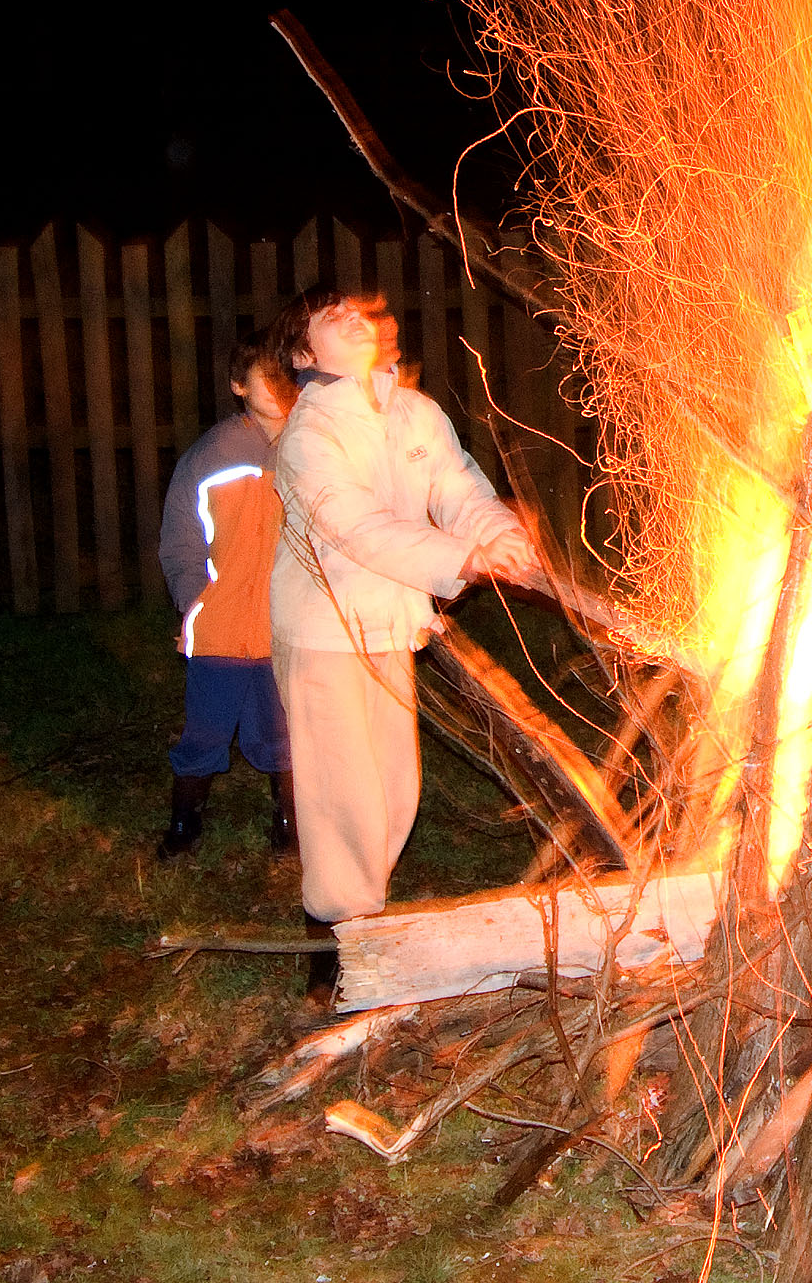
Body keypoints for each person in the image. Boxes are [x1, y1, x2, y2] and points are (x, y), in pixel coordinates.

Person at [268, 287, 535, 1005]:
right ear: (304, 355)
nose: (358, 322)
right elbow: (358, 528)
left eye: (360, 313)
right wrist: (462, 560)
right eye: (334, 320)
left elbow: (458, 487)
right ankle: (335, 938)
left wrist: (498, 536)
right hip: (325, 628)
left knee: (391, 786)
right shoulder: (309, 436)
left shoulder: (415, 413)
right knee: (339, 790)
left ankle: (364, 907)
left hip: (390, 621)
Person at [156, 329, 294, 861]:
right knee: (205, 732)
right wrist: (196, 603)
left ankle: (289, 824)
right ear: (239, 384)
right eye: (266, 374)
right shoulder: (212, 455)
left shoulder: (310, 449)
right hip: (219, 629)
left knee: (283, 733)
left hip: (283, 628)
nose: (279, 384)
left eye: (287, 373)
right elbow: (181, 540)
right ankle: (185, 822)